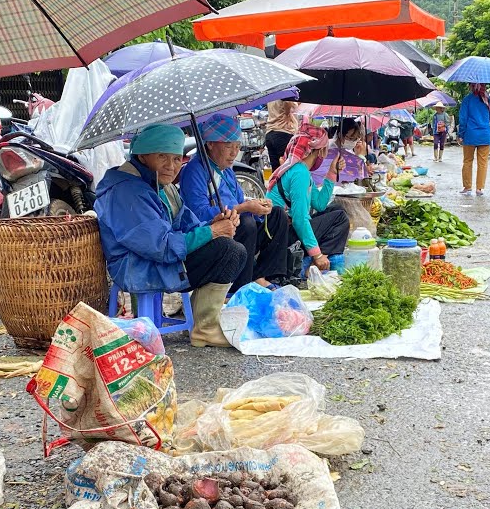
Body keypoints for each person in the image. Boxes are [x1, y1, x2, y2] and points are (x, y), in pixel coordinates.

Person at [96, 124, 248, 347]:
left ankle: (203, 322)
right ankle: (205, 329)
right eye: (162, 157)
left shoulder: (160, 184)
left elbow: (187, 223)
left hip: (159, 257)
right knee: (229, 251)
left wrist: (213, 223)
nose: (171, 166)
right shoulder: (127, 191)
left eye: (177, 159)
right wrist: (212, 232)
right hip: (139, 266)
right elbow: (162, 247)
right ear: (143, 155)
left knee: (229, 245)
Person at [178, 114, 290, 294]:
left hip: (238, 230)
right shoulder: (195, 170)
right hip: (212, 237)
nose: (234, 153)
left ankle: (261, 276)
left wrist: (256, 206)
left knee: (277, 215)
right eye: (228, 146)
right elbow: (198, 214)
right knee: (245, 222)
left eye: (237, 147)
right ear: (210, 144)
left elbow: (239, 200)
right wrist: (243, 208)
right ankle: (239, 287)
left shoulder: (226, 171)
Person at [265, 123, 350, 272]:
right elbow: (299, 220)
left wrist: (332, 172)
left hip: (287, 231)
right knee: (340, 218)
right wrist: (317, 255)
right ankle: (316, 263)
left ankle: (317, 260)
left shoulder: (302, 171)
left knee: (336, 209)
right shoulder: (300, 173)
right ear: (320, 151)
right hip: (283, 236)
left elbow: (320, 204)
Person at [458, 83, 490, 196]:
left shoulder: (467, 100)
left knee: (467, 161)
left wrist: (461, 134)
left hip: (470, 135)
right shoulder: (489, 99)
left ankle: (467, 187)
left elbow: (463, 119)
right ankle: (479, 188)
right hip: (485, 134)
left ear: (472, 86)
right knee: (483, 163)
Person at [264, 99, 300, 170]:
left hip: (270, 131)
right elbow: (288, 102)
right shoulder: (286, 94)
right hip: (283, 131)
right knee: (288, 167)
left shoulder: (272, 95)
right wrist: (287, 113)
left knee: (276, 169)